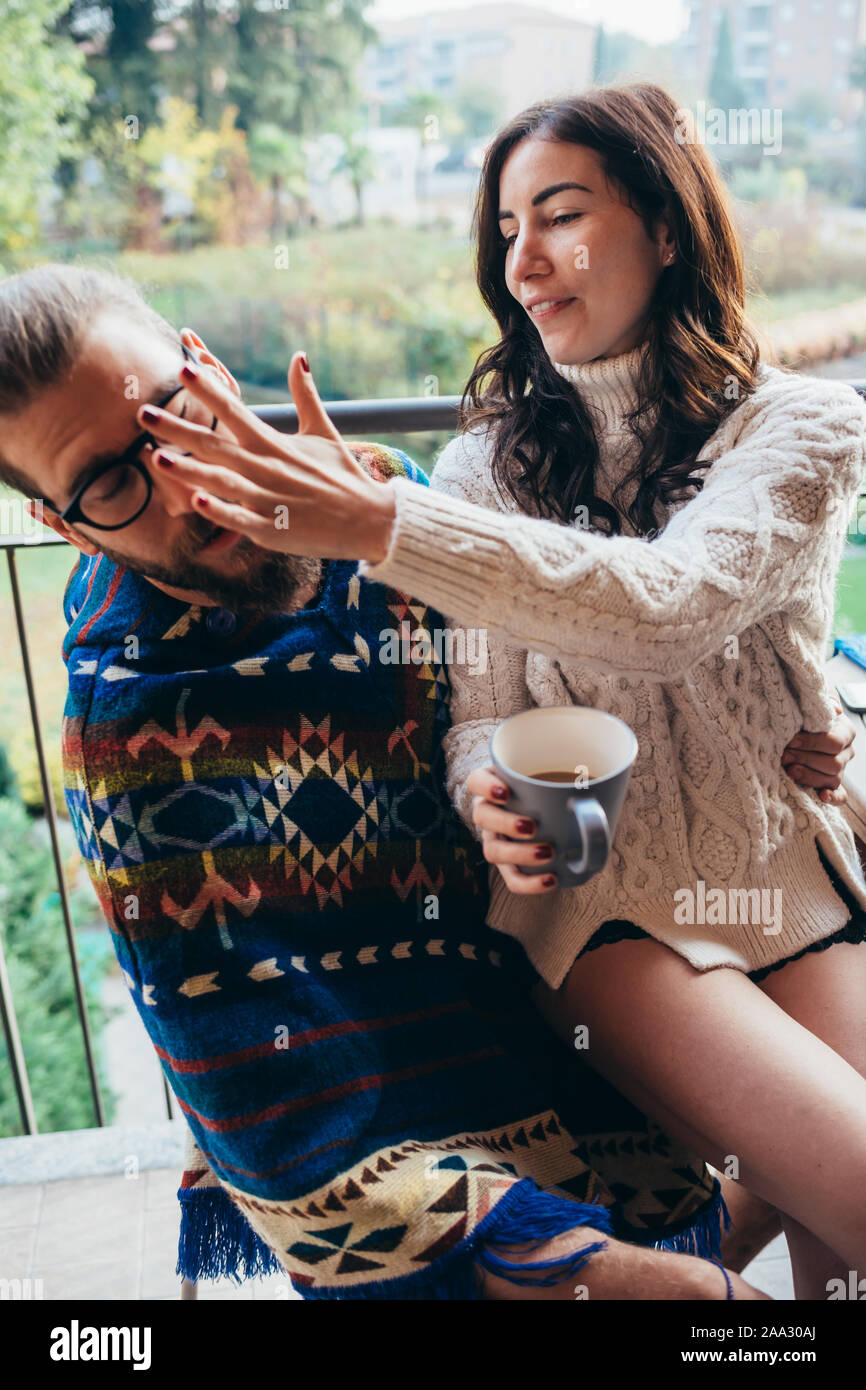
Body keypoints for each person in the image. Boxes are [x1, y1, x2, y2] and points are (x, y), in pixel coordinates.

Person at [126, 84, 866, 1300]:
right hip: (610, 913)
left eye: (559, 216)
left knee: (832, 1263)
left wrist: (381, 522)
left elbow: (673, 603)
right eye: (504, 229)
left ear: (668, 226)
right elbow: (481, 711)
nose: (521, 261)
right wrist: (483, 795)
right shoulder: (481, 464)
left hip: (786, 872)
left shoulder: (802, 428)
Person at [0, 264, 787, 1302]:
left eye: (174, 416)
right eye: (110, 481)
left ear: (207, 366)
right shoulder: (137, 727)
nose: (186, 483)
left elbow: (589, 661)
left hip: (583, 991)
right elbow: (252, 1078)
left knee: (803, 1160)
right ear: (67, 527)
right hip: (378, 1148)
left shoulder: (399, 507)